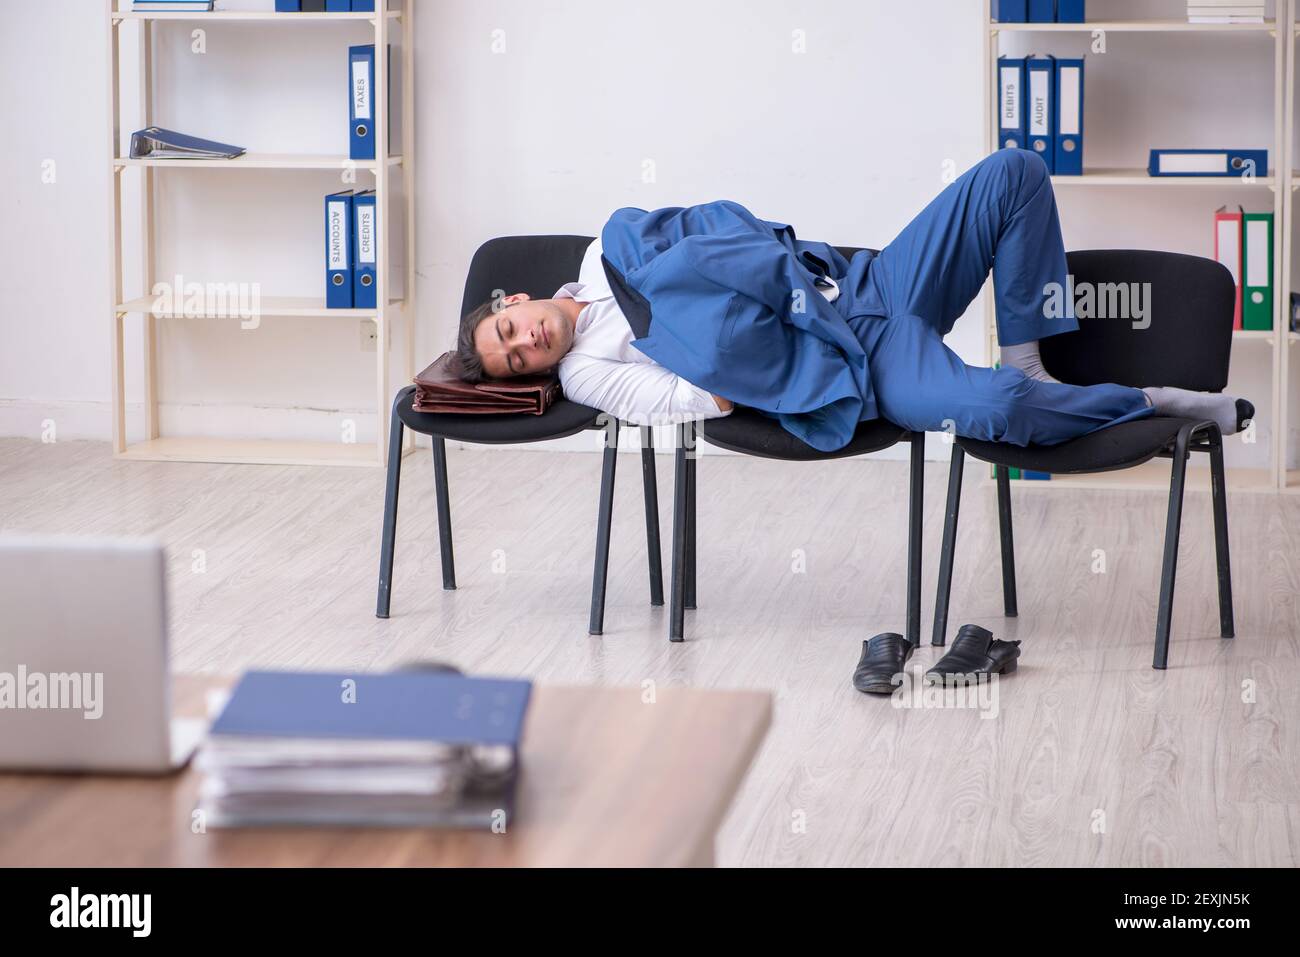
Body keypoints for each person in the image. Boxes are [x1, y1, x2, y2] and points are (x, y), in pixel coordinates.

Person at [454, 149, 1252, 451]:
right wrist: (721, 325)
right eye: (516, 357)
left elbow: (724, 227)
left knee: (1014, 174)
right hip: (856, 362)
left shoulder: (610, 246)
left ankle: (1028, 352)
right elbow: (702, 396)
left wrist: (725, 301)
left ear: (515, 298)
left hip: (864, 281)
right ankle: (1149, 402)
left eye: (510, 327)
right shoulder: (589, 372)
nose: (527, 342)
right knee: (996, 411)